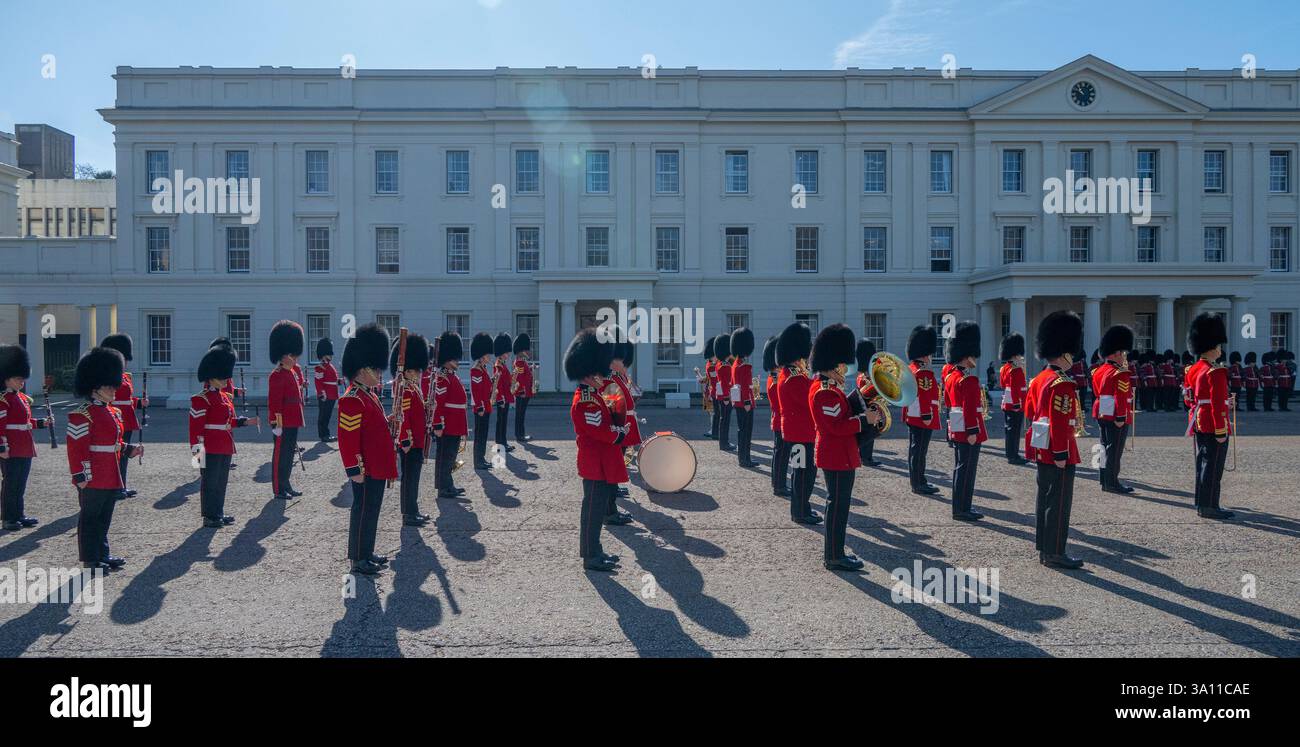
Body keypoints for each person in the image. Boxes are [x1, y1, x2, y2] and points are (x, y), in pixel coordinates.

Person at [809, 324, 877, 572]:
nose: (845, 369)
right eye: (842, 364)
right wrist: (863, 420)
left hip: (841, 454)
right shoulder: (824, 392)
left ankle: (836, 552)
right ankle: (834, 556)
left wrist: (860, 398)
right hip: (835, 455)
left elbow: (840, 413)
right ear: (834, 363)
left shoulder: (830, 388)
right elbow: (835, 427)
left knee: (839, 506)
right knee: (837, 507)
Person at [66, 346, 141, 571]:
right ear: (95, 388)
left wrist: (129, 449)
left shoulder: (113, 412)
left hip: (110, 472)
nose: (114, 389)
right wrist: (81, 475)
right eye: (109, 386)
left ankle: (103, 554)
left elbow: (113, 443)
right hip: (93, 475)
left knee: (104, 517)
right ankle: (90, 559)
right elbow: (77, 448)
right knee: (90, 518)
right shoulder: (82, 414)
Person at [1025, 311, 1084, 570]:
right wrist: (1061, 453)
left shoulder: (1039, 379)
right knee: (1058, 503)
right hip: (1057, 450)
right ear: (1064, 353)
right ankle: (1056, 552)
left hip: (1041, 447)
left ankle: (1045, 549)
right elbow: (1060, 423)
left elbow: (1030, 413)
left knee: (1045, 499)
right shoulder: (1061, 384)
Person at [565, 328, 628, 572]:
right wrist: (618, 434)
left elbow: (617, 406)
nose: (599, 376)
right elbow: (599, 429)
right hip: (594, 461)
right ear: (586, 372)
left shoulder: (596, 392)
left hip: (601, 460)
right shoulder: (586, 399)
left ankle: (596, 551)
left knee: (597, 509)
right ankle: (590, 557)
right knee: (591, 511)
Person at [338, 323, 398, 575]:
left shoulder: (369, 395)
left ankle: (367, 551)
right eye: (375, 368)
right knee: (362, 510)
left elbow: (374, 428)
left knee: (372, 510)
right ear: (363, 370)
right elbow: (348, 438)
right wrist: (354, 469)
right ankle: (357, 558)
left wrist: (390, 422)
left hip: (377, 465)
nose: (379, 373)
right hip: (366, 467)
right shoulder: (352, 398)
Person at [190, 344, 258, 528]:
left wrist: (247, 422)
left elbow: (230, 421)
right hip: (210, 446)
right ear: (212, 377)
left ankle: (218, 512)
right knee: (209, 483)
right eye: (222, 376)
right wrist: (197, 457)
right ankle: (209, 515)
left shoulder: (225, 397)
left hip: (225, 444)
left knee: (221, 482)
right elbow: (196, 431)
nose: (226, 379)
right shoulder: (200, 399)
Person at [1185, 314, 1234, 520]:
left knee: (1203, 463)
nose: (1220, 349)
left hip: (1199, 420)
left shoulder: (1193, 369)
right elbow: (1216, 404)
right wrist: (1222, 429)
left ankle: (1202, 502)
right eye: (1218, 345)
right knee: (1213, 466)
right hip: (1213, 424)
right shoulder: (1215, 372)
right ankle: (1210, 506)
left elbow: (1189, 398)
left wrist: (1225, 403)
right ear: (1213, 347)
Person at [0, 344, 53, 530]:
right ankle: (8, 518)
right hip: (11, 447)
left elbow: (26, 421)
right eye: (17, 378)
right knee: (10, 483)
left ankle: (19, 514)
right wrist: (2, 447)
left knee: (20, 484)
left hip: (24, 446)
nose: (21, 381)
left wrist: (41, 423)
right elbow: (1, 427)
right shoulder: (3, 400)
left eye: (22, 378)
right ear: (6, 379)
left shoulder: (21, 398)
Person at [943, 322, 986, 521]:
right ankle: (962, 509)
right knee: (966, 470)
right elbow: (969, 409)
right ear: (967, 355)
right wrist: (971, 431)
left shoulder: (952, 376)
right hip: (967, 430)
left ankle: (961, 507)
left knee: (962, 468)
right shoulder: (967, 380)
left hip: (957, 426)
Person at [777, 323, 819, 525]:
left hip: (799, 434)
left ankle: (802, 509)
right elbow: (810, 399)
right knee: (803, 475)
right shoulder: (794, 378)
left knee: (801, 474)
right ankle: (800, 512)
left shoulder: (793, 374)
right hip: (800, 435)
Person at [391, 333, 431, 527]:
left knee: (414, 479)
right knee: (409, 479)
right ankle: (408, 514)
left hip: (417, 439)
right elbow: (404, 416)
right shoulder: (405, 389)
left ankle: (413, 510)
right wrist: (405, 440)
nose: (418, 373)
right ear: (406, 371)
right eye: (414, 370)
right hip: (410, 442)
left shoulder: (413, 388)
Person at [99, 334, 145, 498]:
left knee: (125, 453)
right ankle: (114, 486)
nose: (125, 362)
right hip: (115, 418)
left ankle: (122, 485)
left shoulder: (126, 376)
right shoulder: (107, 376)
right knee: (116, 453)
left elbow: (127, 399)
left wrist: (139, 403)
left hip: (128, 417)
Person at [1093, 325, 1134, 494]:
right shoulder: (1119, 373)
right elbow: (1121, 397)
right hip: (1115, 414)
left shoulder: (1098, 370)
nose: (1124, 356)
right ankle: (1112, 482)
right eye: (1122, 353)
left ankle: (1103, 479)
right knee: (1114, 449)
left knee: (1104, 446)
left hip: (1101, 411)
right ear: (1115, 353)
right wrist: (1121, 417)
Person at [267, 320, 305, 500]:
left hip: (293, 420)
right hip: (282, 422)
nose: (295, 358)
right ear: (283, 356)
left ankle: (286, 483)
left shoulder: (292, 373)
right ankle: (278, 488)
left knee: (289, 455)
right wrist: (277, 424)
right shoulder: (277, 375)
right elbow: (275, 403)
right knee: (280, 456)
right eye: (292, 355)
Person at [903, 325, 941, 495]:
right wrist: (927, 415)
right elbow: (925, 396)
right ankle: (919, 483)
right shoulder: (924, 373)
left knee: (915, 449)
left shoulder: (911, 369)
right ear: (925, 354)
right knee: (919, 451)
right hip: (922, 415)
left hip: (913, 414)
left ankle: (918, 480)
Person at [603, 335, 639, 511]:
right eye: (619, 359)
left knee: (618, 464)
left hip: (623, 425)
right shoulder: (611, 379)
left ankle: (613, 496)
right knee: (614, 466)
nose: (623, 362)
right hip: (618, 427)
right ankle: (610, 509)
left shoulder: (618, 377)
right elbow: (612, 410)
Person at [431, 332, 467, 500]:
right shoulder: (443, 377)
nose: (457, 361)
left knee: (450, 456)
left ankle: (447, 484)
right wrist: (438, 424)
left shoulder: (451, 376)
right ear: (446, 358)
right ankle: (443, 487)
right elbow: (438, 403)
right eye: (454, 358)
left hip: (455, 423)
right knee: (445, 456)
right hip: (448, 425)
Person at [762, 336, 789, 496]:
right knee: (781, 455)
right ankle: (779, 486)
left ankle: (777, 482)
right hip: (780, 421)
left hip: (778, 420)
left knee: (779, 454)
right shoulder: (775, 379)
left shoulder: (774, 377)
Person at [998, 333, 1028, 465]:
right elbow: (1016, 389)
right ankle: (1013, 455)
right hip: (1016, 404)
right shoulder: (1016, 370)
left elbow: (1003, 385)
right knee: (1014, 431)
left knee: (1010, 430)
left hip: (1007, 403)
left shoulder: (1004, 368)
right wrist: (1017, 404)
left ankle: (1011, 453)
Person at [853, 338, 883, 468]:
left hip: (869, 406)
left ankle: (866, 456)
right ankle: (865, 457)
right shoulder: (864, 377)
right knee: (869, 431)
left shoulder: (864, 374)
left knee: (870, 430)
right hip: (867, 406)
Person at [730, 327, 757, 468]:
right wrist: (748, 402)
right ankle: (745, 459)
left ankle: (744, 458)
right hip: (745, 403)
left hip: (739, 402)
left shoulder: (736, 364)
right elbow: (745, 387)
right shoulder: (744, 366)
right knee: (746, 432)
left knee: (742, 432)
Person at [468, 332, 495, 470]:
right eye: (487, 355)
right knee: (479, 436)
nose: (489, 357)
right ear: (481, 355)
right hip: (481, 408)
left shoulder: (483, 369)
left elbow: (485, 388)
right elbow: (476, 391)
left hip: (486, 406)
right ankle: (477, 461)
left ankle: (481, 458)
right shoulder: (476, 370)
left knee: (483, 435)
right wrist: (479, 407)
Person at [492, 332, 515, 454]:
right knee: (501, 420)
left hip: (505, 396)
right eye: (507, 352)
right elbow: (498, 384)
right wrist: (500, 398)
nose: (508, 354)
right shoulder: (498, 366)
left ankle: (502, 442)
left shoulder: (502, 365)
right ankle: (500, 443)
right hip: (502, 398)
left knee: (503, 420)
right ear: (502, 352)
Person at [313, 338, 339, 442]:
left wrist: (339, 381)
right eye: (329, 354)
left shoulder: (329, 366)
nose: (331, 356)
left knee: (327, 416)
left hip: (332, 394)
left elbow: (332, 380)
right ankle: (323, 435)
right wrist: (321, 393)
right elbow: (318, 382)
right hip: (326, 395)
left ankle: (326, 434)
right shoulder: (320, 367)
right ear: (324, 354)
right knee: (323, 416)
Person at [512, 333, 534, 442]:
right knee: (520, 415)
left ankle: (520, 434)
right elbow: (520, 379)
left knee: (520, 414)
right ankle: (520, 435)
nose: (528, 352)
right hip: (522, 392)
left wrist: (529, 368)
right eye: (526, 350)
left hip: (523, 392)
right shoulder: (520, 362)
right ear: (521, 350)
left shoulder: (521, 362)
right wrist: (523, 391)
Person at [715, 333, 734, 451]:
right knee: (725, 420)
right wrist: (727, 397)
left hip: (722, 395)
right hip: (726, 397)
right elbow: (725, 383)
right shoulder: (725, 366)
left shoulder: (719, 364)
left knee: (723, 419)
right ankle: (724, 443)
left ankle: (724, 442)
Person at [699, 336, 718, 439]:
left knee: (714, 412)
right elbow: (711, 379)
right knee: (712, 412)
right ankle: (713, 429)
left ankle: (714, 429)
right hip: (710, 391)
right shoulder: (711, 365)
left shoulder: (714, 364)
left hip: (712, 391)